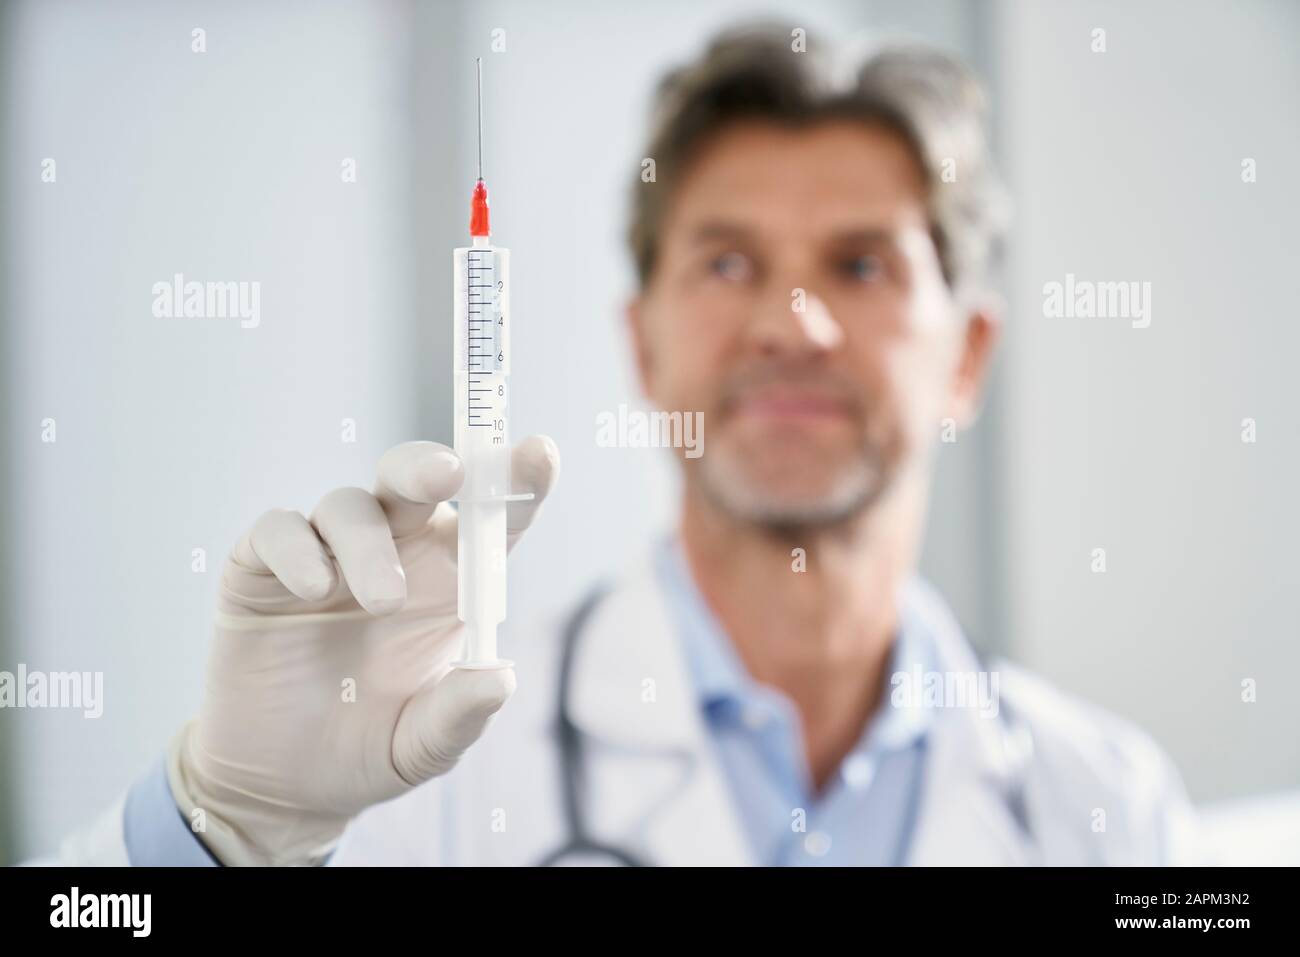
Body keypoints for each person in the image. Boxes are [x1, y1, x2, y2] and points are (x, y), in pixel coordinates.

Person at [51, 23, 1200, 867]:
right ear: (642, 348)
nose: (790, 324)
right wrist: (218, 827)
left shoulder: (1107, 807)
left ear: (966, 356)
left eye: (860, 265)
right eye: (727, 263)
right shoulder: (420, 777)